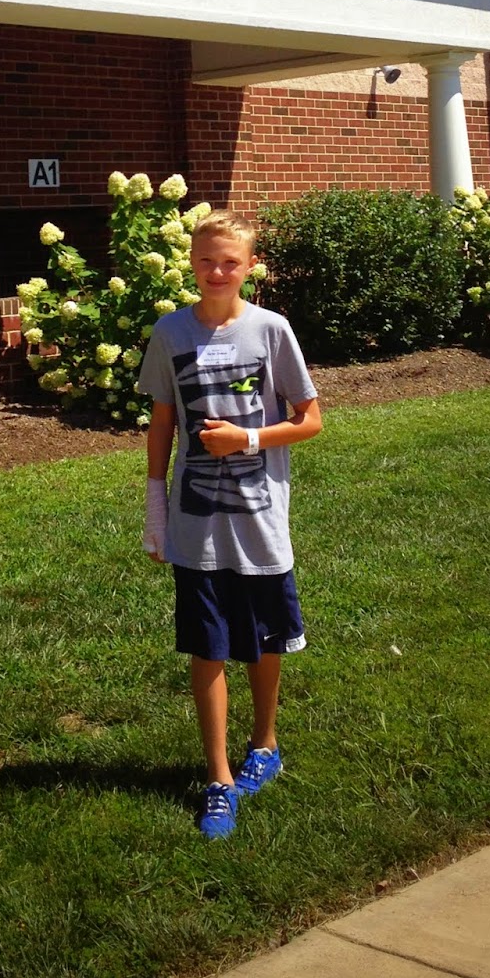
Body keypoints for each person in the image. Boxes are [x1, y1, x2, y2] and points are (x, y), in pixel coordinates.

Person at [137, 209, 322, 838]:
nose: (217, 271)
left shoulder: (271, 331)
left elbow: (311, 419)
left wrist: (246, 438)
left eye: (231, 262)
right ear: (191, 261)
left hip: (262, 525)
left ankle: (264, 745)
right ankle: (218, 778)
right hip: (196, 527)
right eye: (206, 260)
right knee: (207, 646)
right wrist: (156, 509)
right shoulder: (170, 333)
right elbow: (163, 424)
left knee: (264, 642)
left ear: (248, 266)